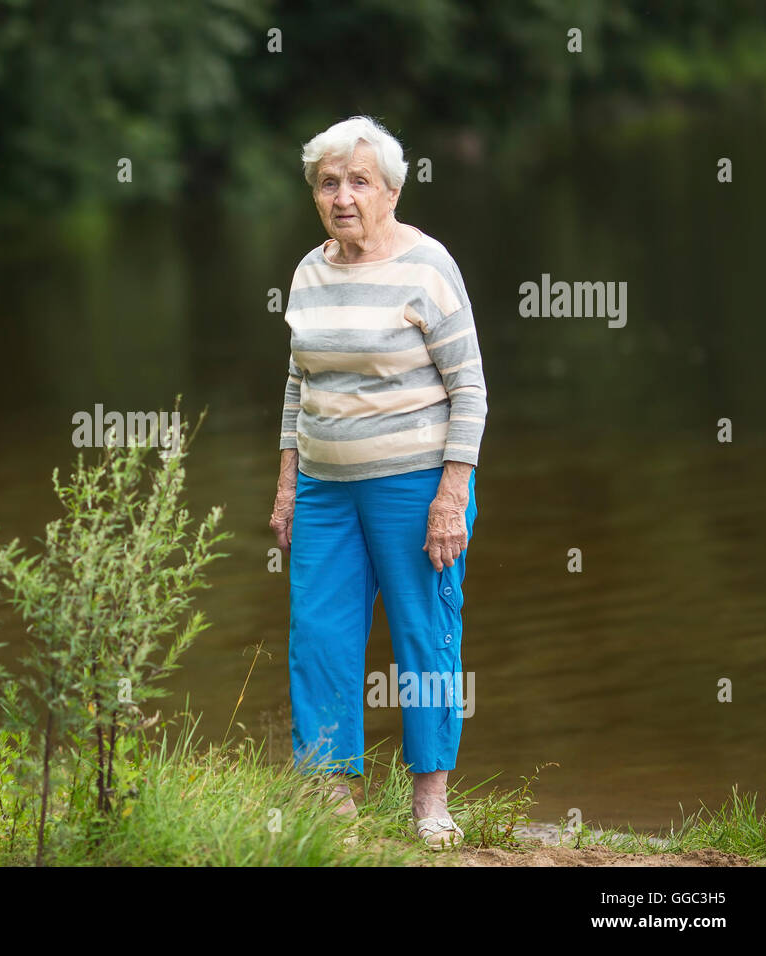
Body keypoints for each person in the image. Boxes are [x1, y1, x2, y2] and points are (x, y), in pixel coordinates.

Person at [269, 115, 488, 850]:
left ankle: (431, 803)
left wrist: (452, 495)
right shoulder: (309, 271)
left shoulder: (428, 267)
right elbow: (299, 383)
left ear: (392, 190)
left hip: (416, 485)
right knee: (320, 637)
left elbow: (471, 391)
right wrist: (286, 486)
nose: (342, 196)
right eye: (329, 182)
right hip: (325, 488)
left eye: (359, 181)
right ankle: (333, 805)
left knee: (425, 637)